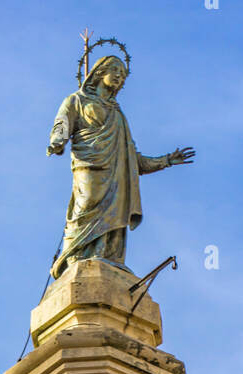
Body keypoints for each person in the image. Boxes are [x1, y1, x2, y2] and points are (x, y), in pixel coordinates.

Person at [47, 54, 195, 279]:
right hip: (89, 166)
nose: (119, 77)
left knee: (114, 220)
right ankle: (74, 256)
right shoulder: (77, 100)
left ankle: (106, 259)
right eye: (115, 71)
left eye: (123, 75)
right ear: (99, 72)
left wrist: (166, 161)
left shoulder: (118, 115)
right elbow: (62, 123)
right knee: (84, 207)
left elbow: (131, 158)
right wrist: (57, 141)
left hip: (117, 175)